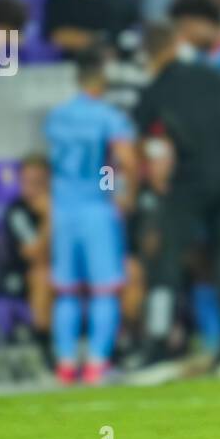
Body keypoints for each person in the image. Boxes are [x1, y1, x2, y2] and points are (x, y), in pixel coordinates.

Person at [133, 21, 220, 373]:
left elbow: (142, 137)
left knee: (165, 260)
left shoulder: (156, 88)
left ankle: (159, 344)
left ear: (149, 54)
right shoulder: (209, 74)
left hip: (191, 177)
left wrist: (155, 171)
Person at [44, 48, 138, 385]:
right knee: (103, 290)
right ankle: (98, 363)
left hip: (63, 209)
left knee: (67, 291)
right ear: (102, 79)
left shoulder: (56, 117)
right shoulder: (108, 117)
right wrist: (122, 192)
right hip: (96, 209)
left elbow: (50, 163)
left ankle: (66, 364)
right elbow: (124, 160)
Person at [3, 154, 53, 368]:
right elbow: (35, 255)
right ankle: (46, 351)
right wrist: (48, 219)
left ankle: (121, 350)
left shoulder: (67, 207)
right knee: (42, 275)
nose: (30, 189)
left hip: (69, 271)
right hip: (22, 278)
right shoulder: (17, 211)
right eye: (25, 182)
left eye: (37, 183)